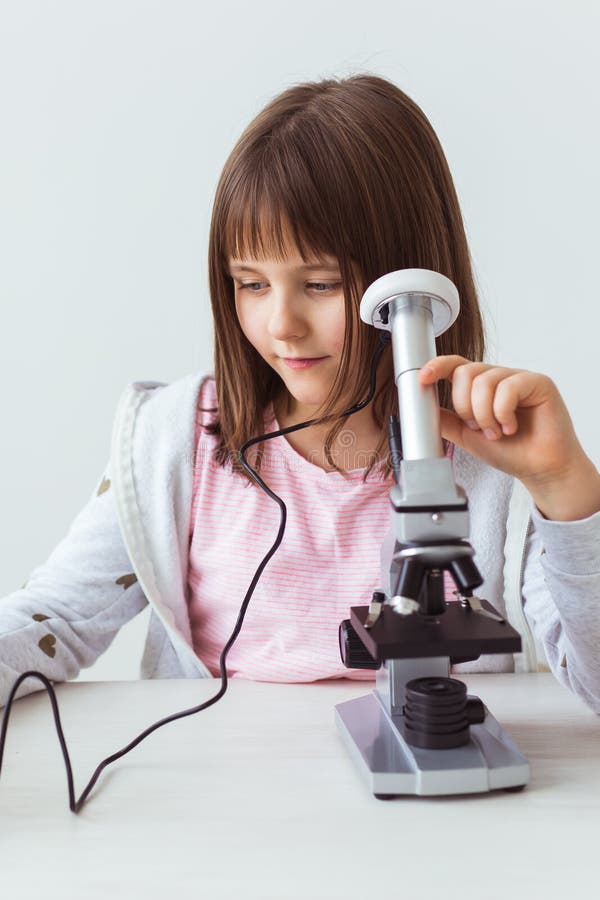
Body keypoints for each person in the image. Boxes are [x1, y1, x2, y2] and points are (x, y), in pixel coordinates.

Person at [1, 74, 600, 714]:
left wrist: (565, 489)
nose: (281, 324)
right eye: (251, 284)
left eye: (320, 284)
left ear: (413, 283)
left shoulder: (496, 470)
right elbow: (53, 620)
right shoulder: (171, 443)